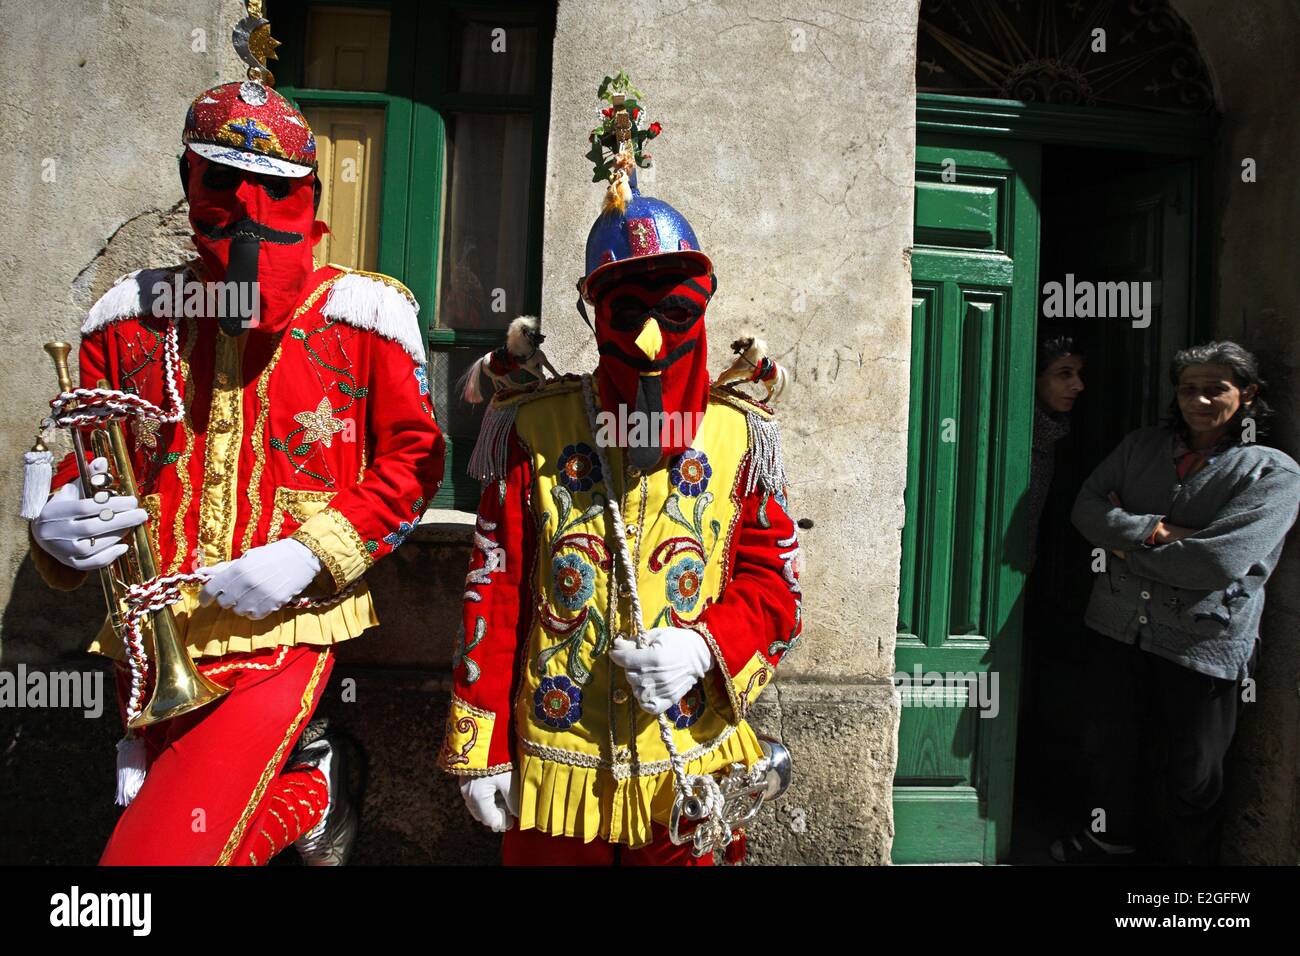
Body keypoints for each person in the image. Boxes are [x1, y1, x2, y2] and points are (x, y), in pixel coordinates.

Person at [25, 32, 445, 865]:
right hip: (149, 642)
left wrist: (309, 555)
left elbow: (414, 462)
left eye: (275, 190)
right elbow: (99, 454)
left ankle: (307, 790)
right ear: (189, 184)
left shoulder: (367, 315)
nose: (248, 213)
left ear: (310, 193)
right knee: (216, 841)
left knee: (153, 861)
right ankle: (313, 793)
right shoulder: (127, 318)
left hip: (287, 627)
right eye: (223, 186)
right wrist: (58, 523)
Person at [437, 75, 802, 865]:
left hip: (689, 761)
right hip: (554, 767)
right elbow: (494, 588)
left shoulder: (742, 439)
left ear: (701, 312)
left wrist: (704, 647)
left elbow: (777, 588)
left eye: (673, 315)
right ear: (593, 315)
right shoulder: (531, 426)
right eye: (625, 316)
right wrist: (482, 746)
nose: (647, 342)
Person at [1051, 341, 1300, 864]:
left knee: (1194, 770)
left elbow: (1215, 563)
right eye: (1189, 389)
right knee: (1112, 751)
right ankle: (1106, 845)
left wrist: (1125, 549)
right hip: (1117, 628)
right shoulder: (1141, 446)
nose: (1200, 400)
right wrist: (1161, 530)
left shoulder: (1271, 472)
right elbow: (1087, 509)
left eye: (1217, 389)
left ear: (1248, 395)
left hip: (1203, 641)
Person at [1027, 334, 1084, 569]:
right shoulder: (1018, 433)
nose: (1079, 385)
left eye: (1079, 374)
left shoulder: (1051, 434)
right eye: (1064, 374)